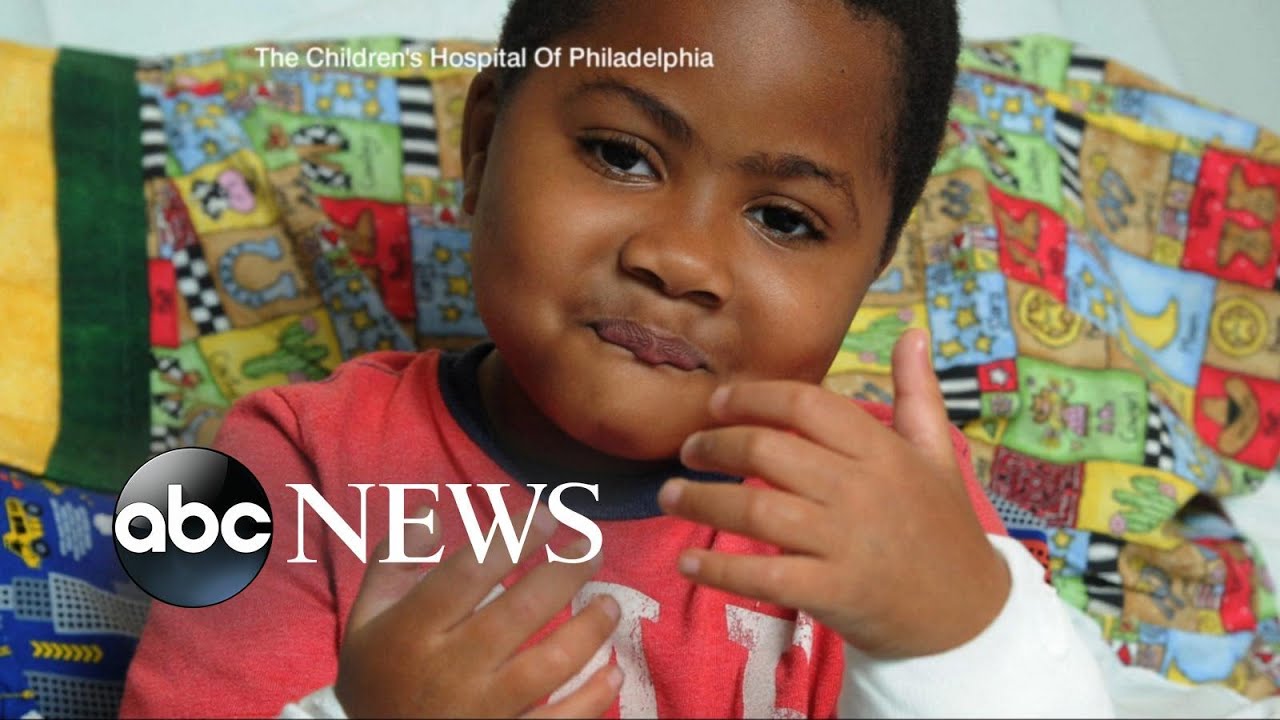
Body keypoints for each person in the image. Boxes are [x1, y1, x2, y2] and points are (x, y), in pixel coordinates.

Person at [121, 0, 1114, 716]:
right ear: (481, 145)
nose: (679, 259)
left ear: (869, 273)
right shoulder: (292, 465)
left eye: (783, 219)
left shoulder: (892, 509)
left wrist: (961, 637)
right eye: (620, 155)